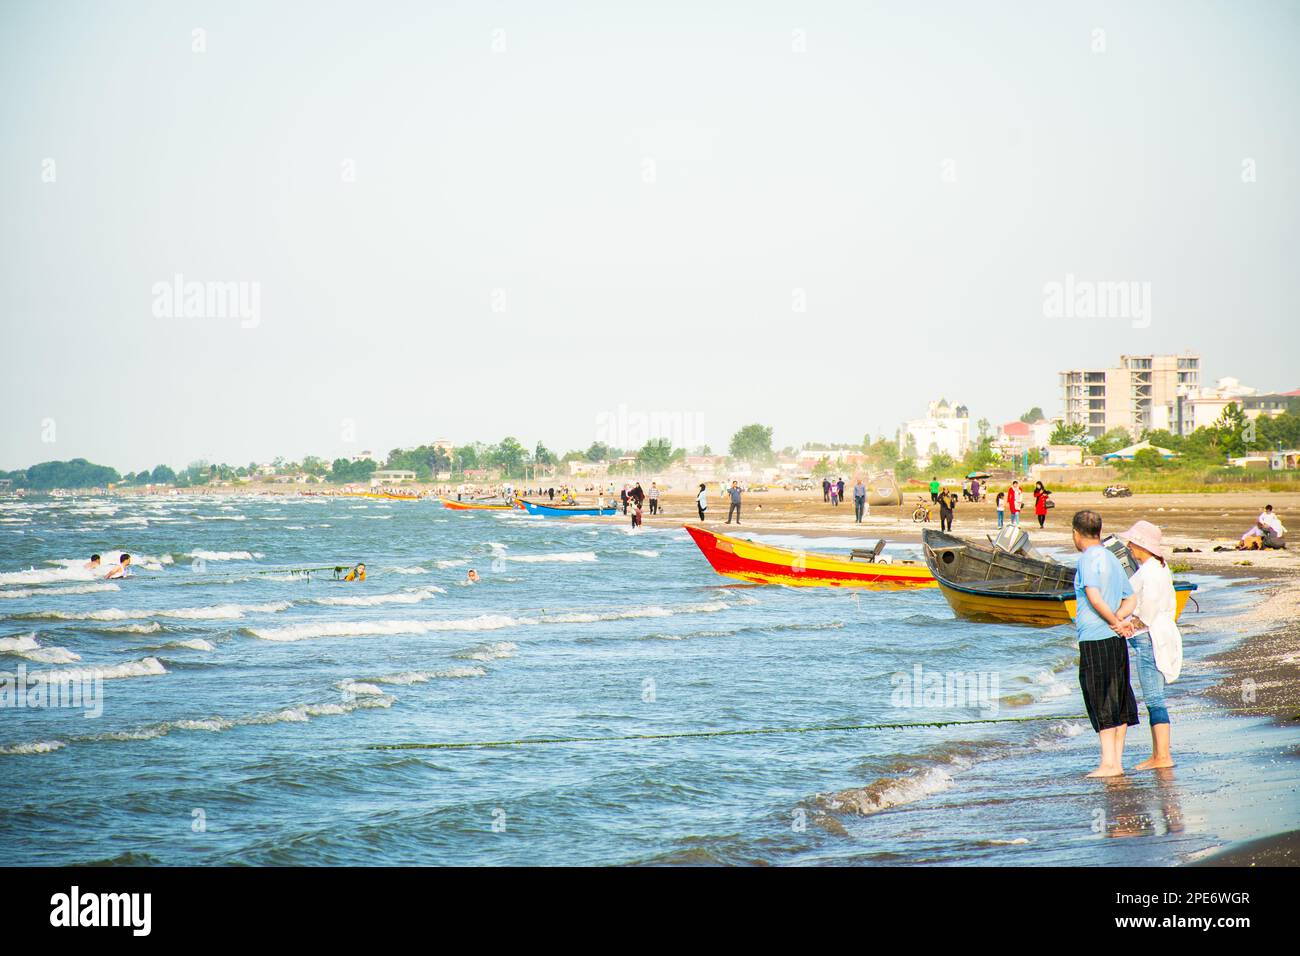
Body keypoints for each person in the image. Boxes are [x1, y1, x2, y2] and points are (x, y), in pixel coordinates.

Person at [1071, 510, 1137, 778]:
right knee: (1118, 697)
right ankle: (1116, 762)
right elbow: (1130, 598)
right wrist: (1120, 620)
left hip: (1096, 636)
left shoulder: (1088, 559)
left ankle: (1109, 763)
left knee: (1101, 697)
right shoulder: (1111, 555)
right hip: (1114, 636)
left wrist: (1113, 621)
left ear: (1076, 533)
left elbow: (1094, 597)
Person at [1115, 520, 1182, 771]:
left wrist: (1130, 623)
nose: (1129, 546)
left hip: (1150, 636)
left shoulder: (1152, 571)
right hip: (1156, 633)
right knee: (1155, 697)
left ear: (1142, 545)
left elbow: (1150, 606)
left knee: (1154, 698)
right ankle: (1159, 755)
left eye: (1132, 542)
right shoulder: (1157, 568)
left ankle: (1162, 756)